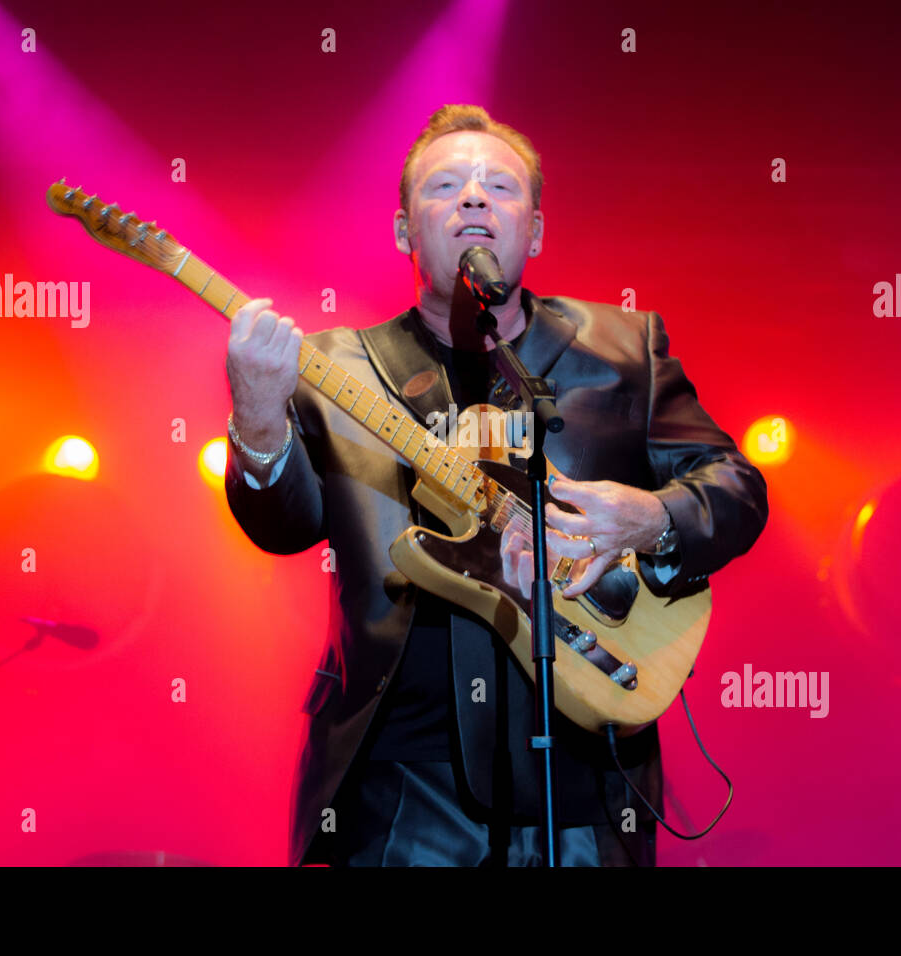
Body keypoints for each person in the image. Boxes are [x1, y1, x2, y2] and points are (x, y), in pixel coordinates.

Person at [223, 104, 769, 866]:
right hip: (402, 779)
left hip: (586, 767)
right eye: (445, 185)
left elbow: (738, 486)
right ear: (405, 231)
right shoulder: (338, 368)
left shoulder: (624, 349)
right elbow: (283, 526)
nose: (474, 198)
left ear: (535, 232)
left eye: (499, 187)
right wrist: (256, 414)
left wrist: (650, 516)